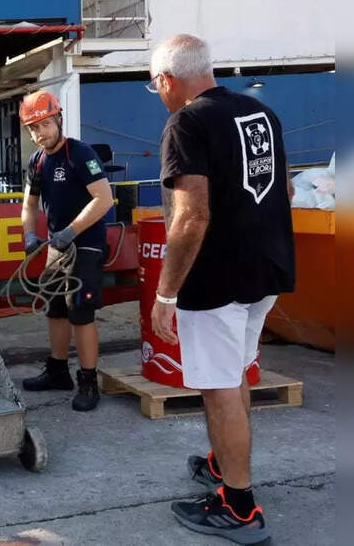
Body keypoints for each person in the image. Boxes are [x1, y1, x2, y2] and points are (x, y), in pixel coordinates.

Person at [148, 34, 294, 545]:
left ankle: (238, 504)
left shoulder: (186, 122)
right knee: (234, 377)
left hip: (217, 279)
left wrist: (166, 294)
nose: (158, 93)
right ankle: (222, 462)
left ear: (168, 79)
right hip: (267, 268)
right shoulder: (259, 115)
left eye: (155, 85)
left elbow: (191, 216)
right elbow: (286, 188)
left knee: (219, 387)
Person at [18, 90, 114, 412]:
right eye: (33, 128)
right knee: (55, 309)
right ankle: (58, 371)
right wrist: (30, 235)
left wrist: (72, 231)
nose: (40, 133)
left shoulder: (80, 153)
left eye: (44, 124)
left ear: (57, 119)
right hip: (55, 245)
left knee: (80, 311)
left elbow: (104, 199)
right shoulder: (38, 161)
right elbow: (29, 205)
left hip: (84, 242)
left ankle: (88, 381)